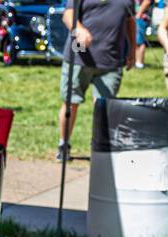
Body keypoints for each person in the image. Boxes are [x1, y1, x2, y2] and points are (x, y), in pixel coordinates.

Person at [57, 0, 135, 161]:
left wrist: (132, 49)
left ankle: (99, 148)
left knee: (103, 106)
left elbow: (129, 20)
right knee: (71, 101)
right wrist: (78, 28)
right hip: (79, 55)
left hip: (111, 59)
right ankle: (64, 144)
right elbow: (67, 15)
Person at [133, 0, 154, 68]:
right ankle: (135, 61)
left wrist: (138, 14)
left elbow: (147, 1)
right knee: (135, 41)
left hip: (141, 18)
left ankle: (139, 63)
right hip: (136, 17)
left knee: (139, 41)